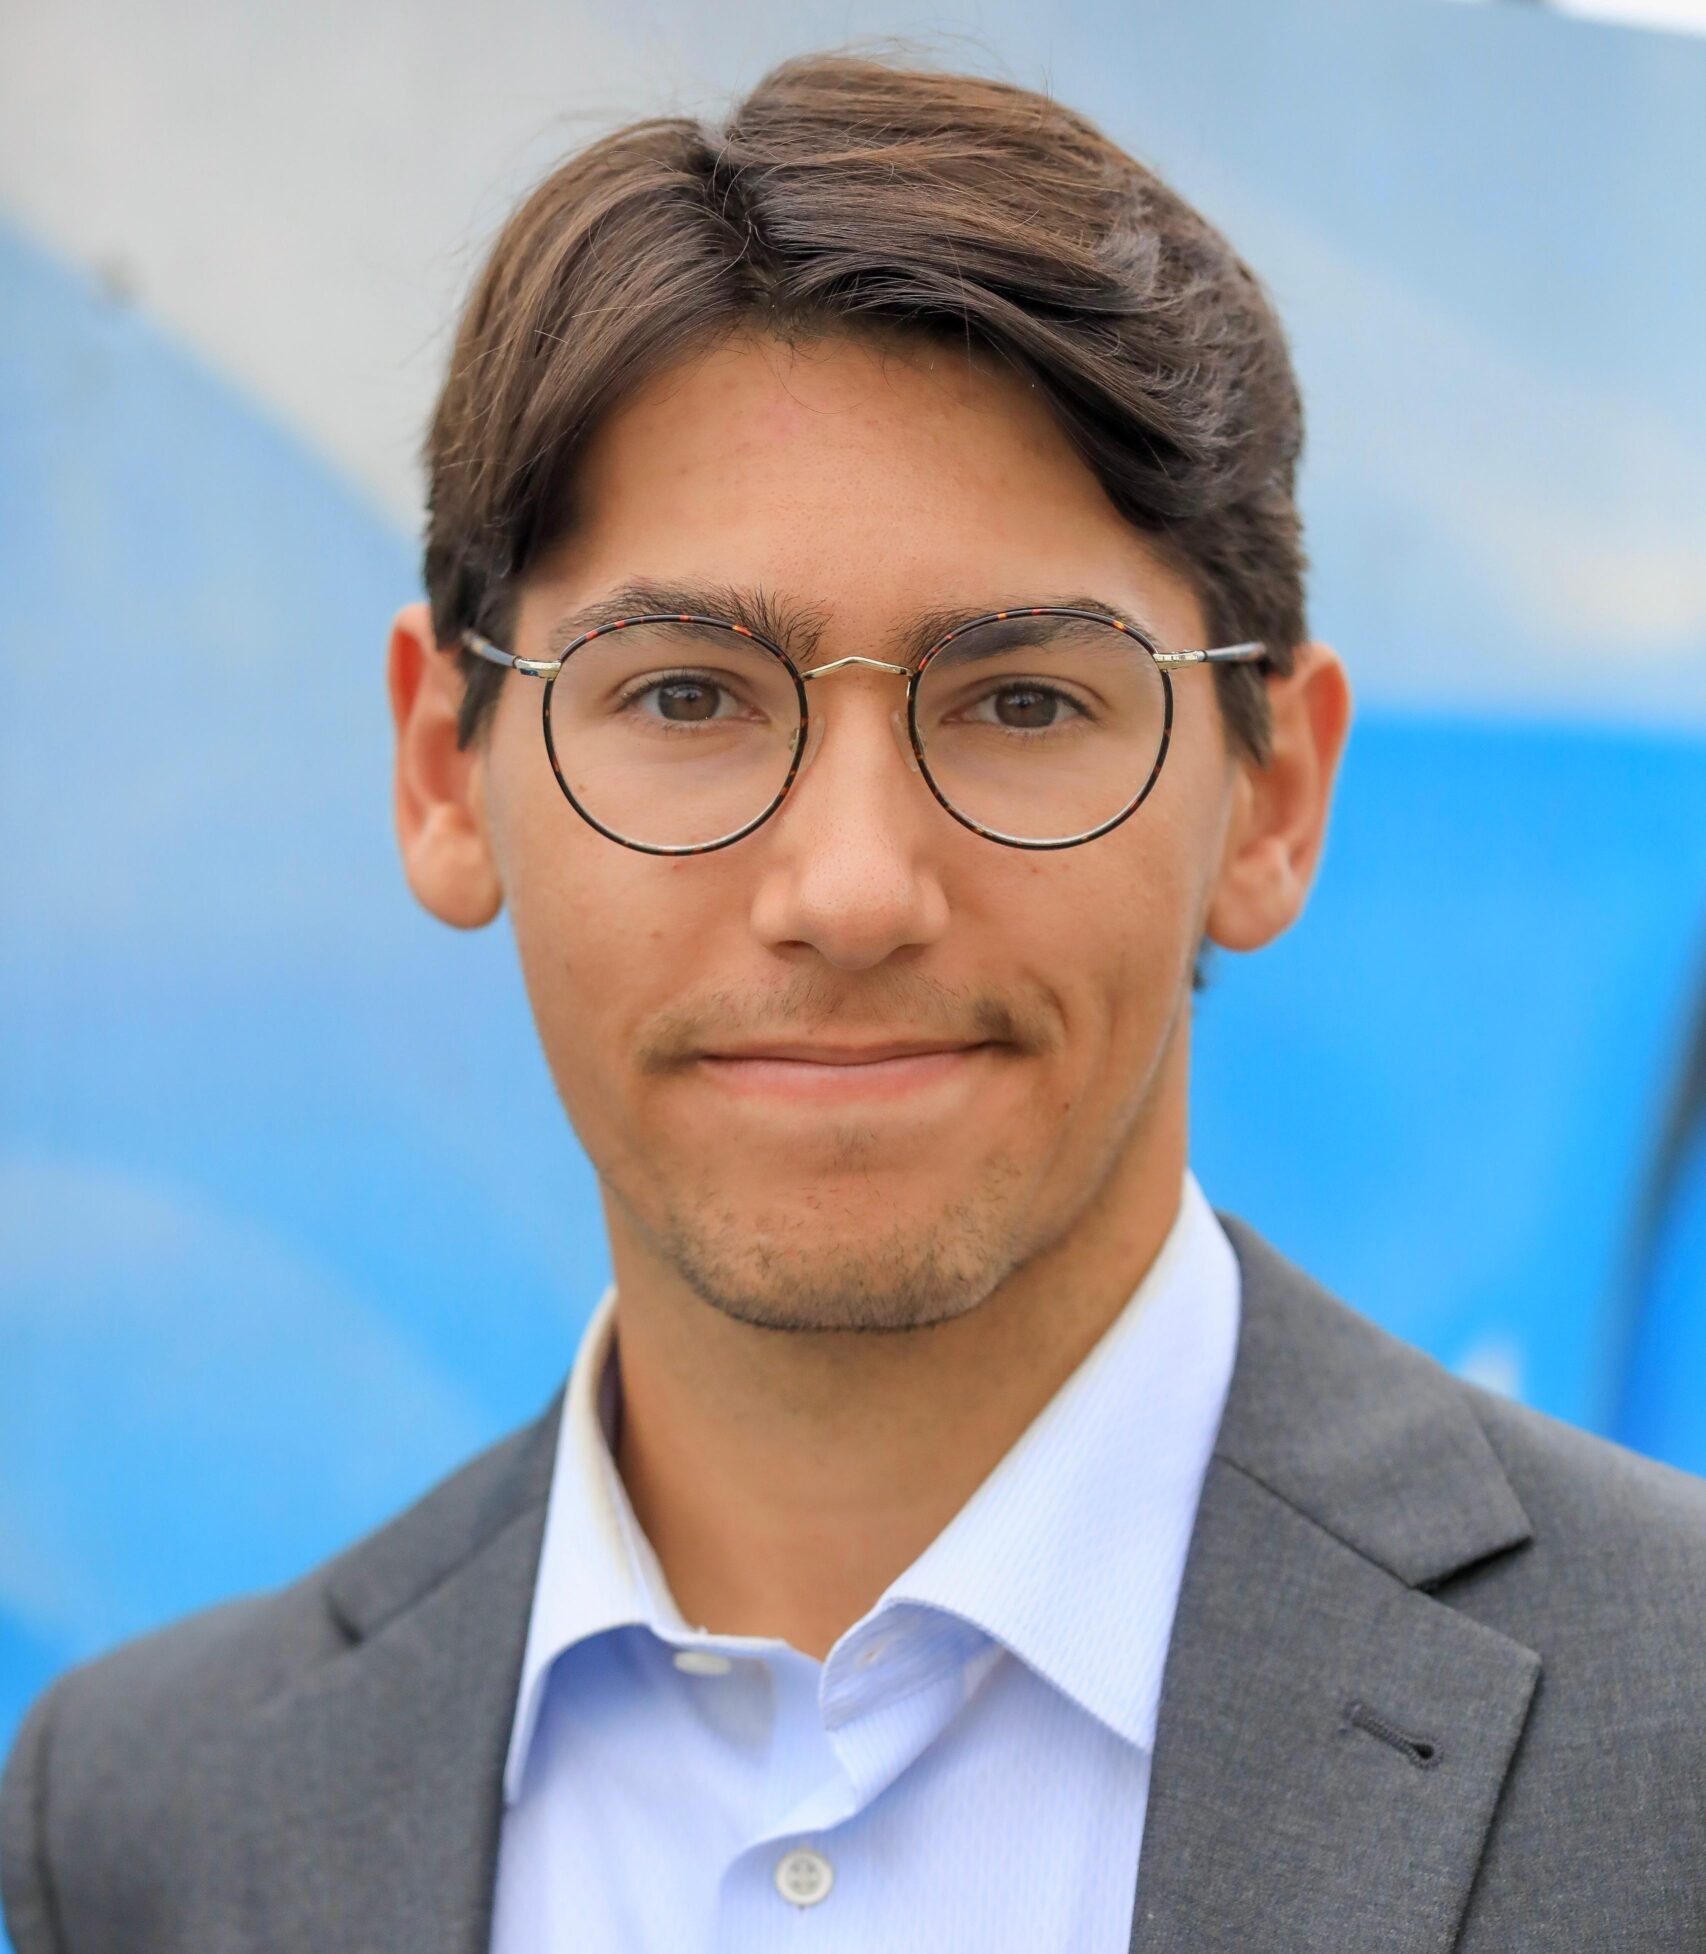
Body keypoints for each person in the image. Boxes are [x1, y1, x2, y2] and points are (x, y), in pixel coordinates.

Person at [4, 50, 1704, 1954]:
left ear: (1273, 797)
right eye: (682, 695)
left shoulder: (1678, 1730)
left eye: (1027, 699)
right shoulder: (152, 1818)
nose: (850, 889)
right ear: (438, 765)